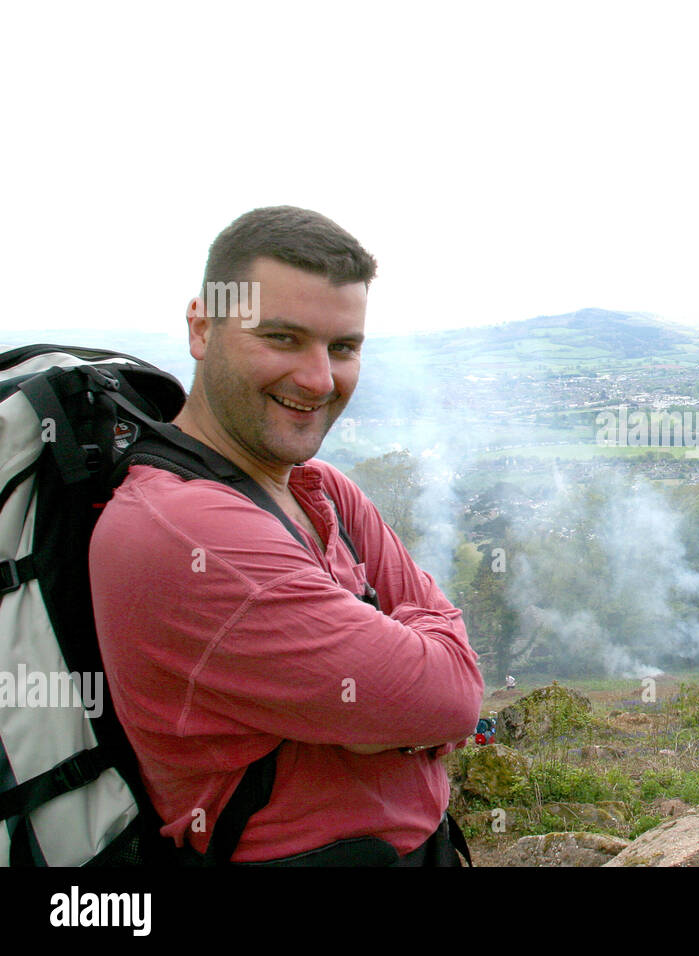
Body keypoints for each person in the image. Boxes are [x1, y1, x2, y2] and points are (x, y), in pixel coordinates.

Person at [89, 206, 484, 864]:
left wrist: (394, 706)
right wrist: (406, 678)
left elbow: (449, 685)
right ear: (202, 328)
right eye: (281, 338)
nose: (318, 379)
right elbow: (451, 694)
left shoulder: (320, 487)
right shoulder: (183, 532)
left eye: (343, 347)